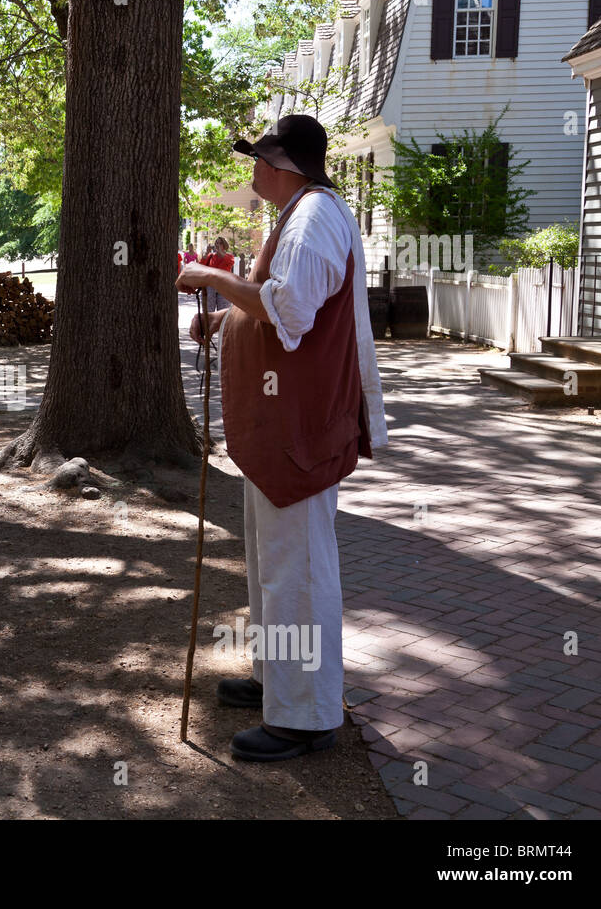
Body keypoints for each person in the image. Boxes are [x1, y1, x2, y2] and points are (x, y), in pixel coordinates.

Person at [175, 113, 387, 763]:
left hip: (301, 426)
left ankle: (305, 716)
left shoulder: (315, 216)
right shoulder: (302, 213)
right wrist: (227, 323)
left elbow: (289, 307)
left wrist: (212, 282)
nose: (253, 170)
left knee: (297, 572)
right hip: (282, 425)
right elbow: (277, 301)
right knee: (274, 565)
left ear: (284, 167)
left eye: (260, 160)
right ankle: (278, 681)